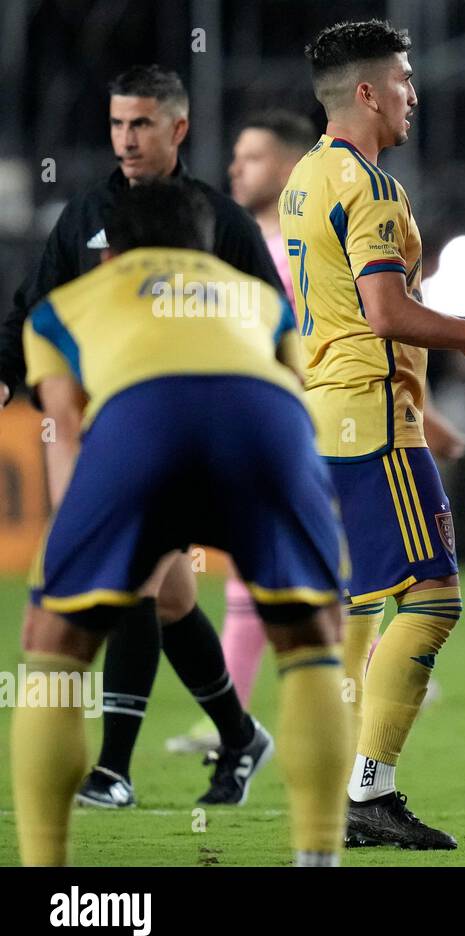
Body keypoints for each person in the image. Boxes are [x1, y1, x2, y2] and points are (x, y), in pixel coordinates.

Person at [12, 179, 350, 866]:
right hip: (269, 430)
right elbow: (297, 392)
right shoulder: (257, 298)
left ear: (111, 252)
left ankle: (47, 867)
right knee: (311, 636)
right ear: (206, 245)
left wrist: (69, 563)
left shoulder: (62, 308)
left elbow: (67, 428)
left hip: (141, 427)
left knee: (53, 641)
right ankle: (319, 854)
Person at [284, 19, 465, 850]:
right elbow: (386, 311)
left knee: (370, 607)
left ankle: (345, 784)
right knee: (433, 600)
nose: (415, 93)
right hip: (371, 415)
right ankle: (366, 791)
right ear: (366, 92)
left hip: (336, 411)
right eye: (403, 79)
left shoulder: (308, 176)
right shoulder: (368, 188)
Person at [0, 64, 281, 808]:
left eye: (143, 123)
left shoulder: (221, 223)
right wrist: (6, 374)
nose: (127, 138)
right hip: (117, 428)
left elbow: (275, 324)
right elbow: (35, 306)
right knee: (167, 597)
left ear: (178, 128)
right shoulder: (86, 213)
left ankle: (115, 769)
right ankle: (240, 735)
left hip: (200, 433)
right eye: (118, 123)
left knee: (137, 577)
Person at [167, 109, 318, 755]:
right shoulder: (226, 246)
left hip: (316, 419)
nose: (234, 170)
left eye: (250, 158)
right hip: (256, 422)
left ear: (285, 167)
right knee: (259, 568)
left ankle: (379, 683)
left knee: (324, 569)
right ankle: (231, 721)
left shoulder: (312, 246)